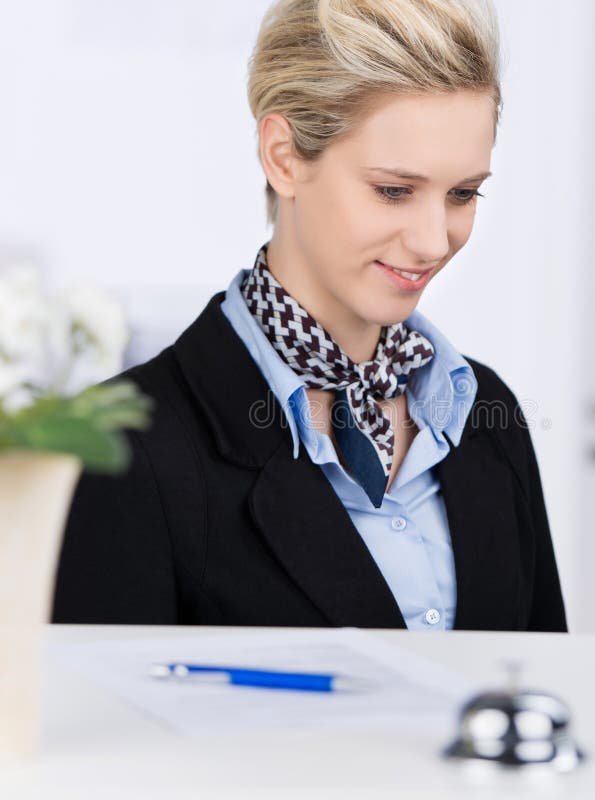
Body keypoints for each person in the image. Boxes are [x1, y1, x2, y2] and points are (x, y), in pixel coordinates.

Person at [51, 0, 568, 632]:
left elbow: (542, 691)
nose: (435, 240)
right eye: (394, 191)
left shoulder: (487, 412)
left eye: (462, 193)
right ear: (285, 156)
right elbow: (107, 728)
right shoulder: (126, 450)